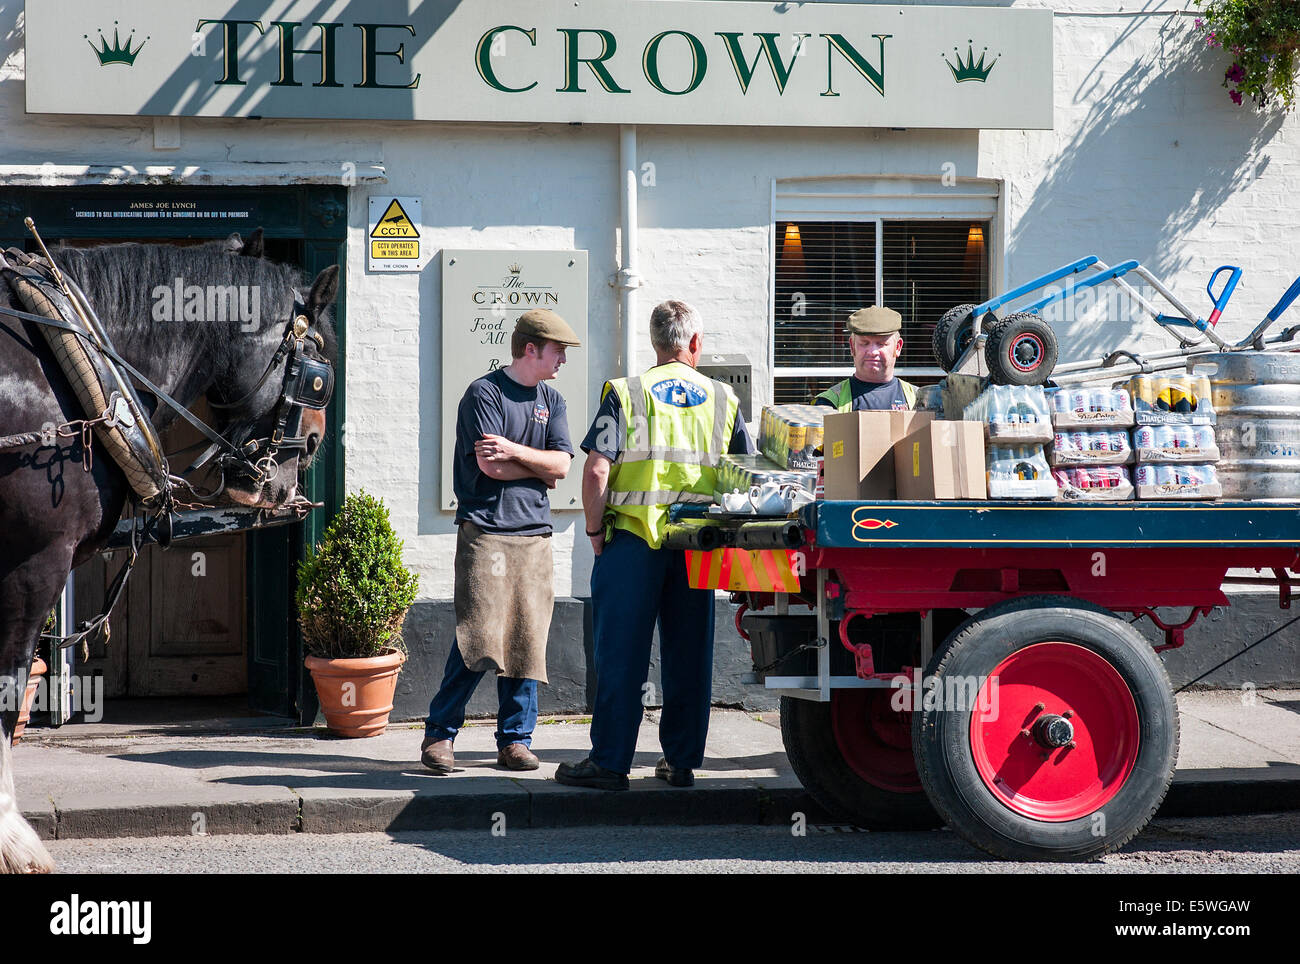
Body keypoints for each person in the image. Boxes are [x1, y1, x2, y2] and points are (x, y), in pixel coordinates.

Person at [556, 300, 755, 791]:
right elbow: (746, 478)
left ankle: (610, 764)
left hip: (632, 544)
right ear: (695, 344)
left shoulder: (626, 393)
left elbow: (596, 471)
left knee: (621, 653)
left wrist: (595, 532)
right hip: (697, 546)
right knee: (689, 654)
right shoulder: (724, 399)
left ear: (654, 343)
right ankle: (681, 762)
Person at [421, 308, 580, 774]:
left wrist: (515, 452)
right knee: (478, 637)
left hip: (535, 535)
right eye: (557, 351)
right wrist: (538, 466)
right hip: (486, 532)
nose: (563, 360)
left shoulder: (553, 399)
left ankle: (514, 741)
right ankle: (439, 734)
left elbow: (563, 466)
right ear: (530, 349)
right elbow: (491, 467)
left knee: (527, 640)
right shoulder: (484, 393)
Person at [813, 305, 917, 411]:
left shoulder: (918, 400)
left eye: (881, 343)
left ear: (898, 347)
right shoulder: (829, 403)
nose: (872, 352)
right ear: (852, 346)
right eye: (864, 343)